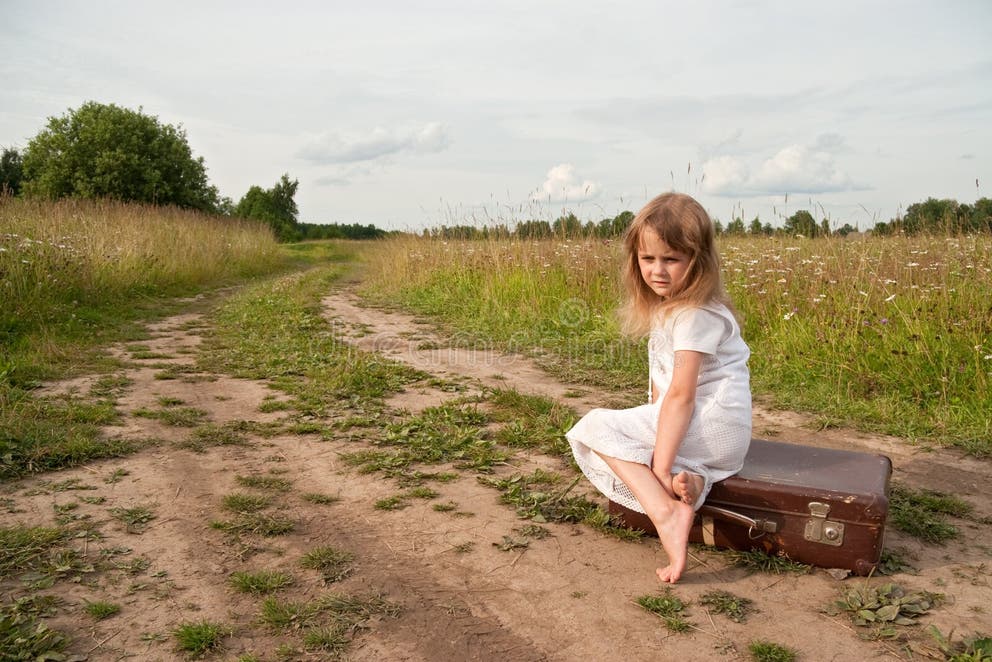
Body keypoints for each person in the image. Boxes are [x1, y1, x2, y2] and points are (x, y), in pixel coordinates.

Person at [566, 192, 752, 584]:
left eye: (671, 259)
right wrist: (658, 445)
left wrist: (661, 466)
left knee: (594, 426)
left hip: (711, 424)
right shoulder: (673, 307)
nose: (657, 270)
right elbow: (661, 385)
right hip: (721, 436)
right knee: (644, 446)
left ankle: (667, 513)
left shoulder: (695, 315)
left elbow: (681, 394)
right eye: (647, 258)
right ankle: (694, 482)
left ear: (698, 261)